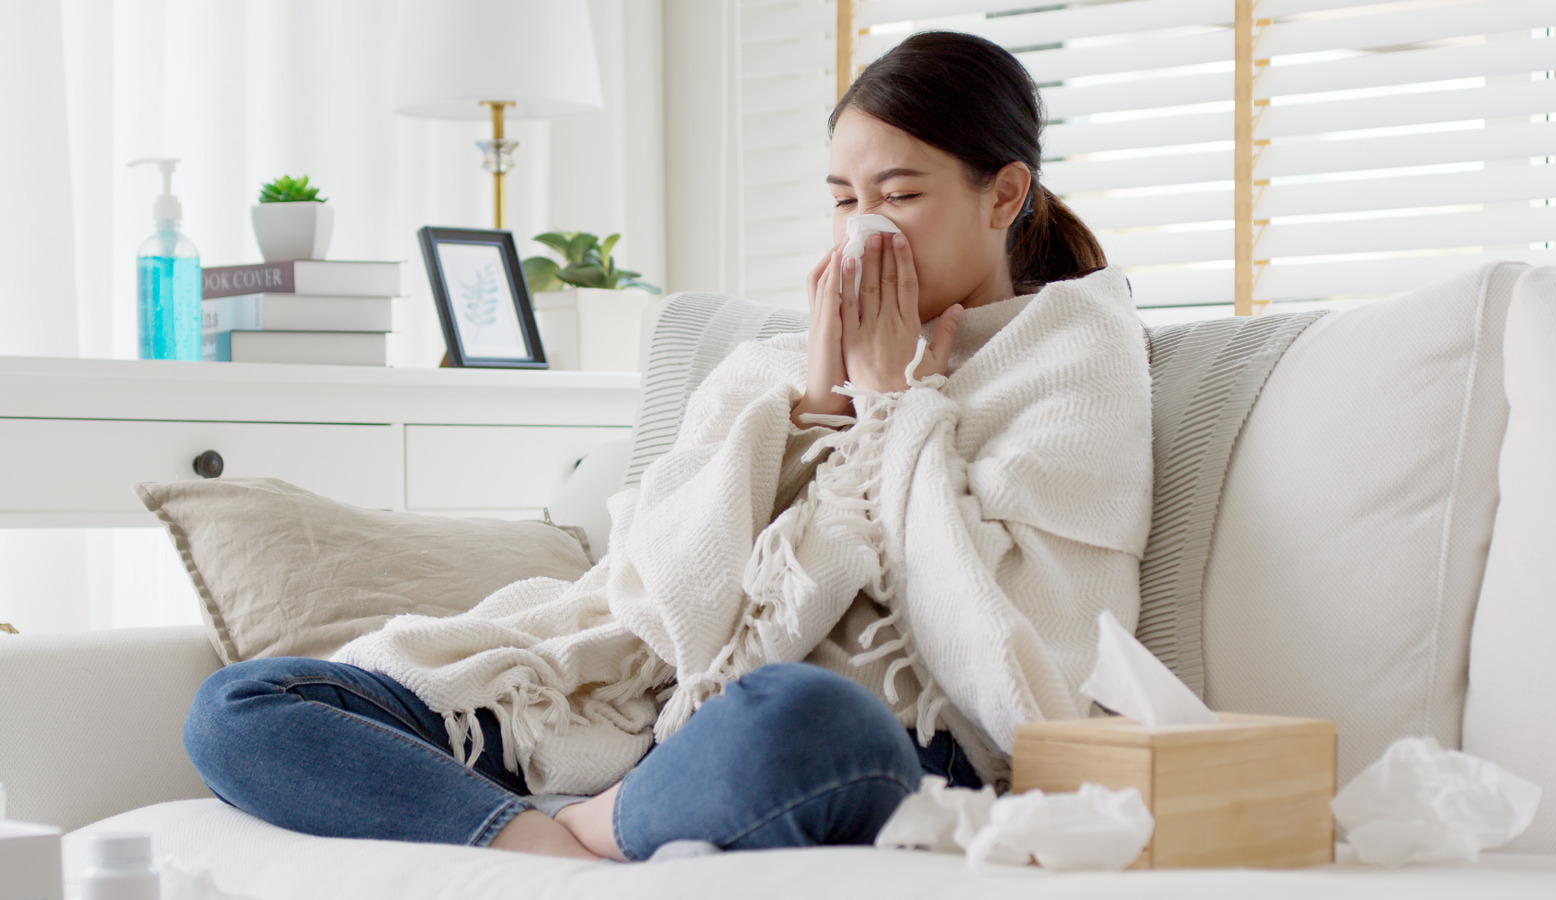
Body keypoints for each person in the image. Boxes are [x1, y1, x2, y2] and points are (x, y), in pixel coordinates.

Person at [183, 31, 1151, 863]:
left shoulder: (1068, 355)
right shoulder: (767, 366)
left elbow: (1006, 664)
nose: (865, 234)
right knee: (241, 706)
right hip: (642, 720)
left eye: (897, 195)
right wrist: (817, 402)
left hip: (876, 735)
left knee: (806, 714)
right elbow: (663, 600)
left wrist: (896, 402)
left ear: (1003, 195)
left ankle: (612, 819)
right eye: (842, 200)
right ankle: (541, 840)